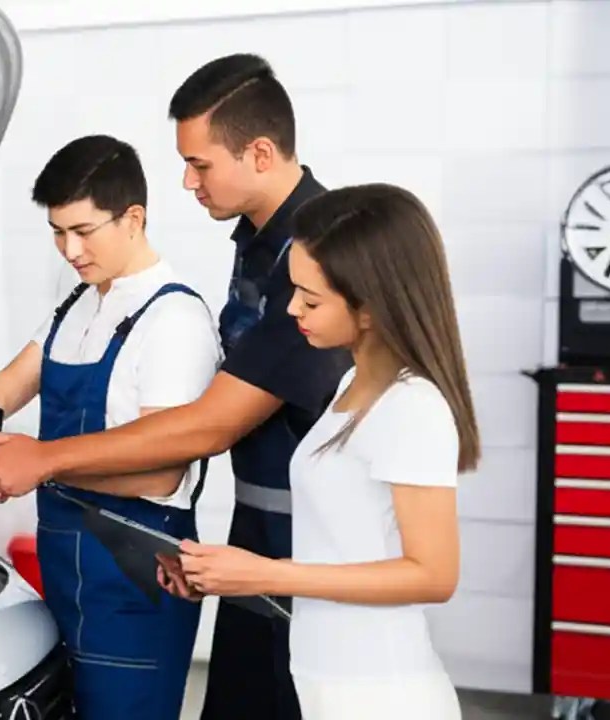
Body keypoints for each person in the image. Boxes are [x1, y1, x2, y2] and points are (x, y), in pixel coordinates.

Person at [0, 54, 352, 719]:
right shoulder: (255, 242)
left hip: (309, 543)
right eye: (59, 233)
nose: (187, 181)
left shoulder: (312, 252)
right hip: (253, 532)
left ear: (259, 152)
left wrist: (43, 460)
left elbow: (207, 429)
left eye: (199, 164)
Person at [0, 133, 221, 720]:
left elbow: (163, 470)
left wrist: (40, 461)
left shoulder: (173, 319)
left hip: (135, 577)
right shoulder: (74, 306)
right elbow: (14, 380)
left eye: (83, 231)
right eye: (57, 232)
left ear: (133, 219)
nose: (69, 249)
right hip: (64, 568)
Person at [171, 183, 476, 720]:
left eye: (310, 299)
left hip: (380, 694)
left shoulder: (413, 406)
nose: (292, 310)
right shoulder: (351, 386)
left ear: (370, 308)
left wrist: (264, 573)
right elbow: (339, 550)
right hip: (322, 679)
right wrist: (220, 574)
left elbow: (433, 575)